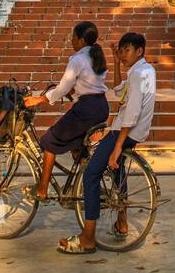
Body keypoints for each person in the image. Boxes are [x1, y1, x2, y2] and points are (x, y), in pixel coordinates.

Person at [58, 31, 156, 255]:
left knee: (92, 174)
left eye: (127, 50)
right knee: (118, 172)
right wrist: (115, 61)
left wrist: (117, 145)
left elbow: (131, 112)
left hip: (124, 131)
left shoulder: (139, 75)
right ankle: (122, 222)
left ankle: (88, 237)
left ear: (139, 51)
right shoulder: (142, 71)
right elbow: (118, 89)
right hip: (134, 131)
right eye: (120, 50)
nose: (123, 54)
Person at [23, 21, 109, 202]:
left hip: (86, 109)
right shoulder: (96, 56)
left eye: (73, 37)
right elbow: (83, 84)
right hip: (100, 106)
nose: (71, 41)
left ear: (81, 40)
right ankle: (91, 184)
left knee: (48, 141)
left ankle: (42, 189)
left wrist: (39, 99)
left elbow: (63, 88)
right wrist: (67, 91)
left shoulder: (77, 59)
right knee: (78, 146)